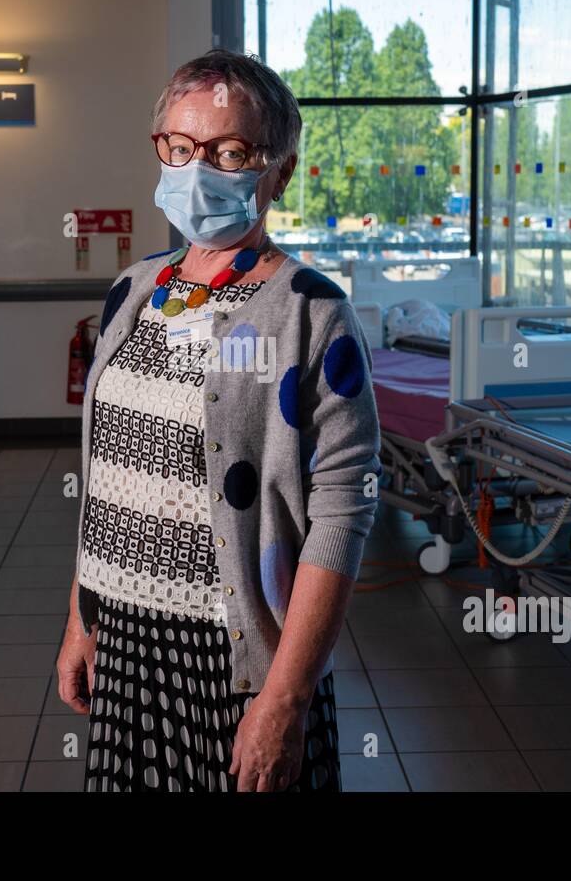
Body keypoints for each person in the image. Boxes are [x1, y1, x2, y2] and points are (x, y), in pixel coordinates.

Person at [57, 49, 381, 792]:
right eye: (180, 145)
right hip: (125, 642)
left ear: (280, 173)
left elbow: (343, 509)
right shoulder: (134, 290)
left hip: (234, 662)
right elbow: (107, 484)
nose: (197, 167)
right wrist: (81, 617)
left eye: (230, 151)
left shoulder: (312, 312)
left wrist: (285, 699)